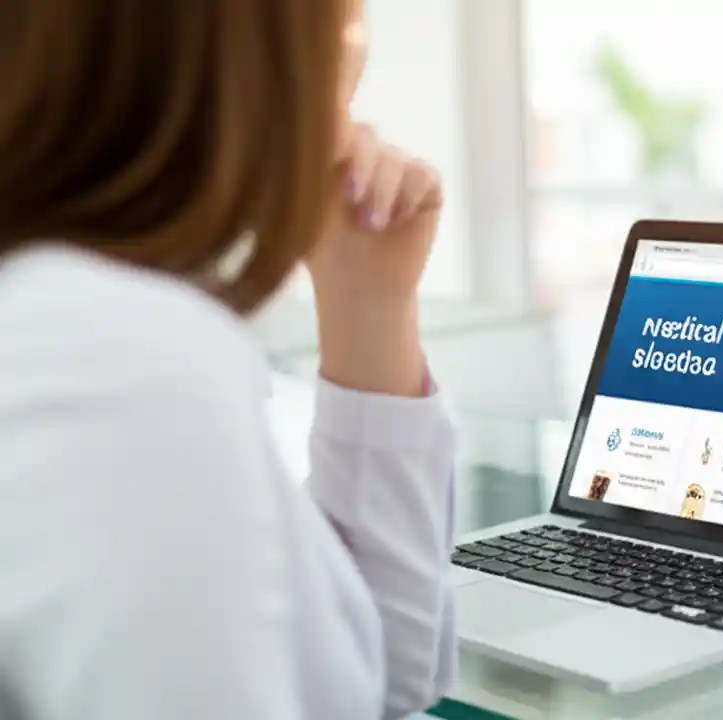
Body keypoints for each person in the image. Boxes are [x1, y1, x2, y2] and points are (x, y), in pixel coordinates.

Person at [0, 2, 456, 718]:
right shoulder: (120, 359)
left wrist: (366, 305)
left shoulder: (83, 319)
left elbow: (374, 682)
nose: (353, 51)